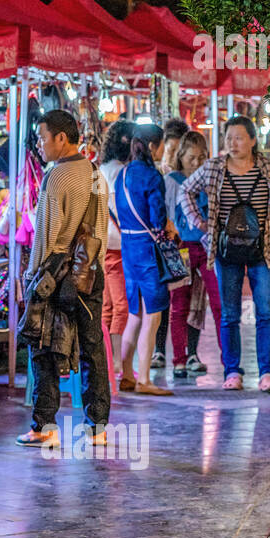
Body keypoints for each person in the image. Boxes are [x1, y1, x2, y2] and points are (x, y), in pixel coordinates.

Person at [16, 109, 111, 446]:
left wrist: (31, 276)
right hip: (89, 272)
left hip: (55, 275)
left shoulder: (56, 176)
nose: (40, 145)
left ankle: (45, 427)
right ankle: (97, 427)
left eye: (43, 138)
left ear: (60, 138)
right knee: (91, 347)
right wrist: (90, 264)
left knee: (43, 347)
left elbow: (46, 234)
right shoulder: (96, 173)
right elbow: (101, 229)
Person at [181, 116, 270, 392]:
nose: (233, 143)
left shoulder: (268, 168)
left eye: (239, 137)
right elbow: (186, 191)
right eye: (228, 137)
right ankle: (232, 371)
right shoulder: (214, 168)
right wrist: (201, 224)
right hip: (226, 250)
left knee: (265, 311)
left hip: (263, 250)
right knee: (230, 313)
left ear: (253, 140)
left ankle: (266, 373)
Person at [113, 123, 174, 396]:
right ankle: (145, 379)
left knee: (134, 315)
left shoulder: (121, 174)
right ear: (152, 146)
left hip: (128, 247)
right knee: (153, 316)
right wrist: (168, 228)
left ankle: (126, 373)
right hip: (149, 249)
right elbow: (157, 218)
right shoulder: (152, 176)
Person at [165, 130, 220, 378]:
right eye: (192, 157)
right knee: (179, 304)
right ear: (181, 156)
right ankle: (178, 359)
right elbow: (166, 216)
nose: (197, 162)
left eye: (202, 157)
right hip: (181, 249)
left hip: (207, 247)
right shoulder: (172, 181)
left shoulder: (211, 181)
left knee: (218, 303)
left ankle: (226, 361)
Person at [151, 118, 190, 372]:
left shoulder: (190, 178)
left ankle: (187, 353)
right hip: (160, 244)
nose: (173, 156)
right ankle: (158, 350)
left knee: (184, 299)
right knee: (161, 298)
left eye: (178, 152)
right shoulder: (155, 176)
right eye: (170, 150)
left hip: (184, 243)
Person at [99, 119, 133, 369]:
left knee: (108, 306)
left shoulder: (98, 171)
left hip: (101, 247)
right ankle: (118, 361)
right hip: (122, 246)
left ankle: (107, 358)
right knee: (122, 305)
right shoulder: (126, 173)